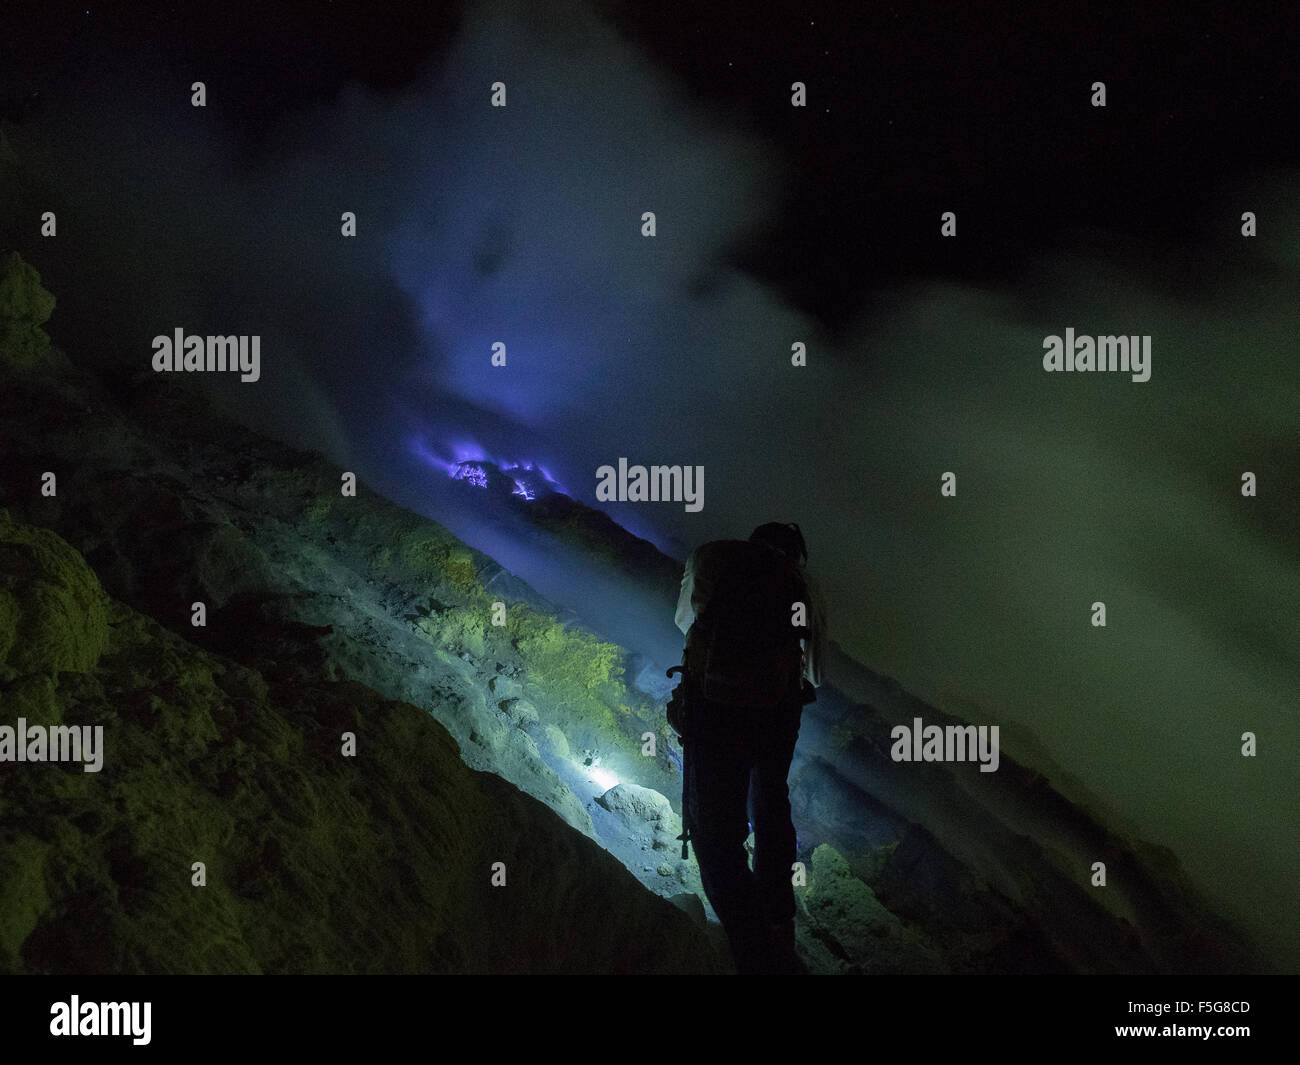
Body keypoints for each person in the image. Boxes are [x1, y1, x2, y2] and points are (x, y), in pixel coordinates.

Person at [673, 522, 826, 974]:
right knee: (771, 806)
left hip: (714, 709)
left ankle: (758, 954)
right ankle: (778, 921)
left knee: (716, 834)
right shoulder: (804, 585)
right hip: (777, 716)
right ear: (795, 556)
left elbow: (686, 620)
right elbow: (816, 672)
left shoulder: (711, 556)